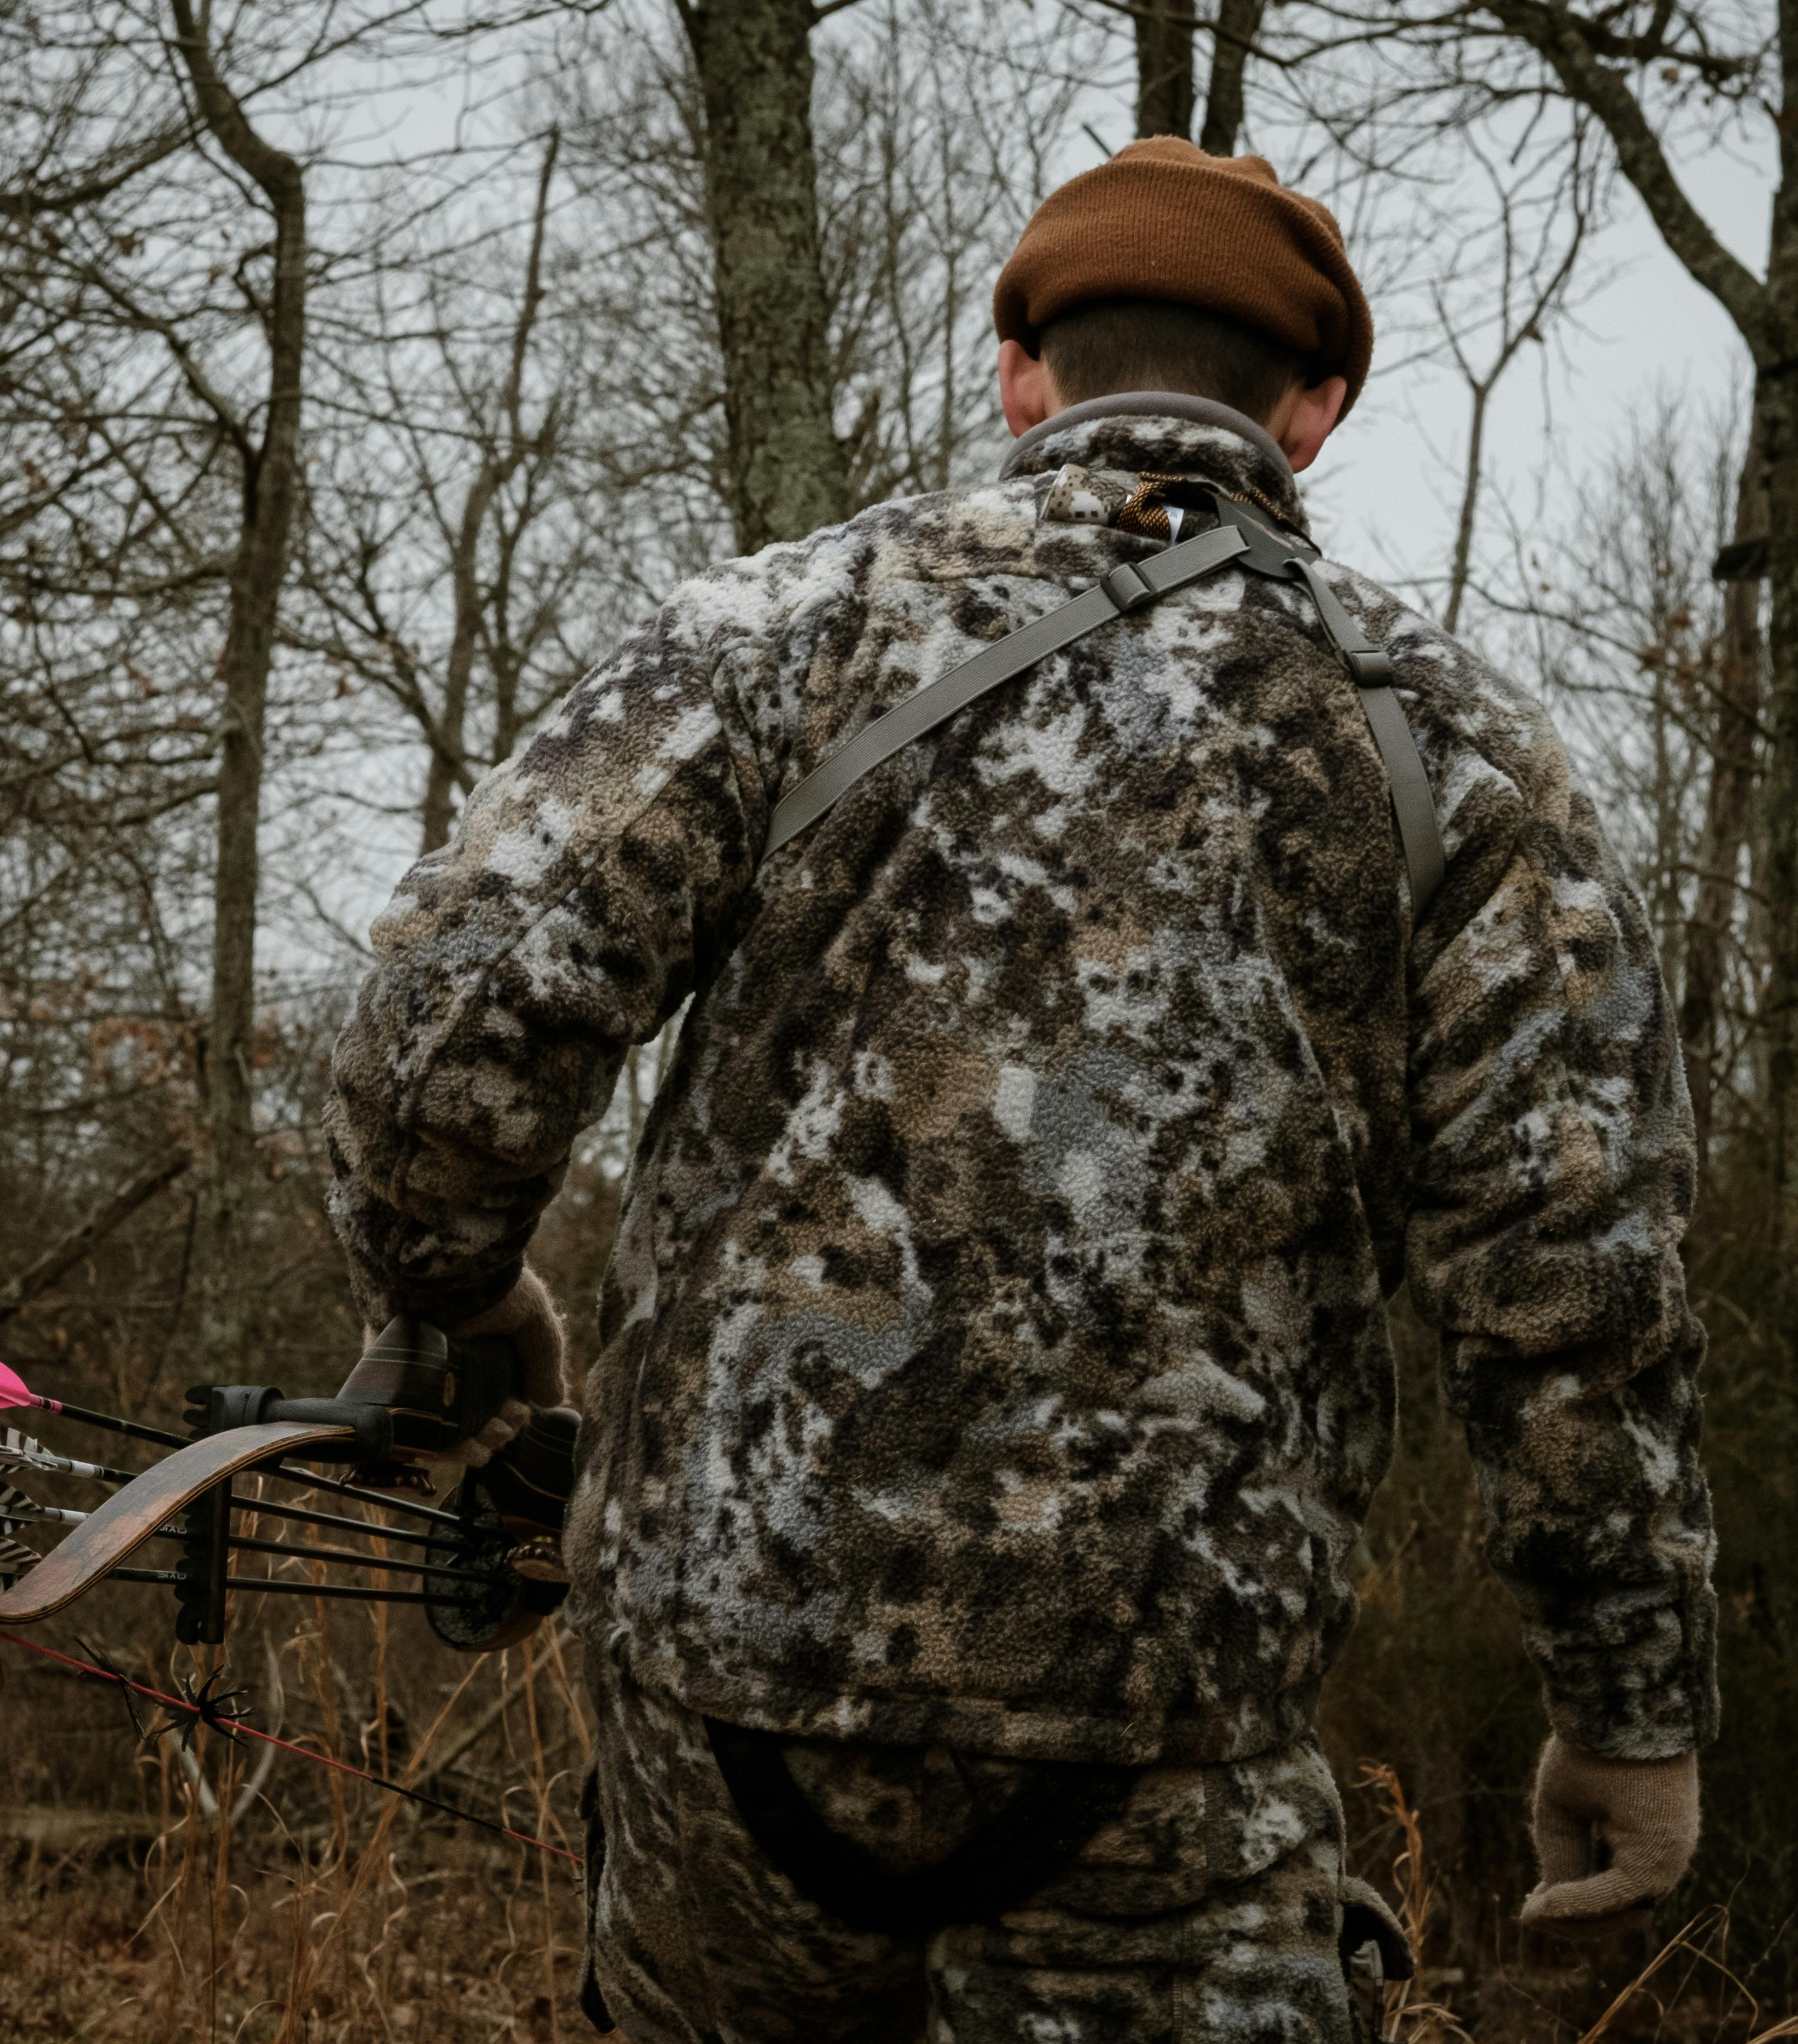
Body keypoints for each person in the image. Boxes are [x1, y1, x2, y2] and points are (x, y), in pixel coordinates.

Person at [327, 136, 1716, 2043]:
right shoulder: (1449, 749)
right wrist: (1625, 1697)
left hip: (730, 1699)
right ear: (1310, 412)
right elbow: (1575, 1280)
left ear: (1021, 374)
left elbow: (437, 1038)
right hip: (1167, 1735)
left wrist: (460, 1292)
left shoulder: (777, 632)